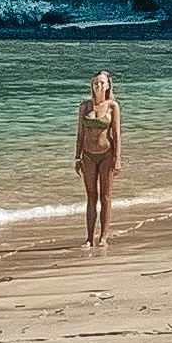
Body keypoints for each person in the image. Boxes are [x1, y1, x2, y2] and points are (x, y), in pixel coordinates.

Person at [76, 67, 120, 248]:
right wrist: (77, 157)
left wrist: (118, 158)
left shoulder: (112, 106)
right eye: (96, 83)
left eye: (102, 83)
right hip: (87, 155)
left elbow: (117, 134)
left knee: (106, 197)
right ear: (91, 86)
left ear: (108, 86)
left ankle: (103, 236)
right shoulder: (84, 106)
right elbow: (80, 133)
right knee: (91, 196)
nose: (98, 85)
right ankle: (89, 237)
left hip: (107, 155)